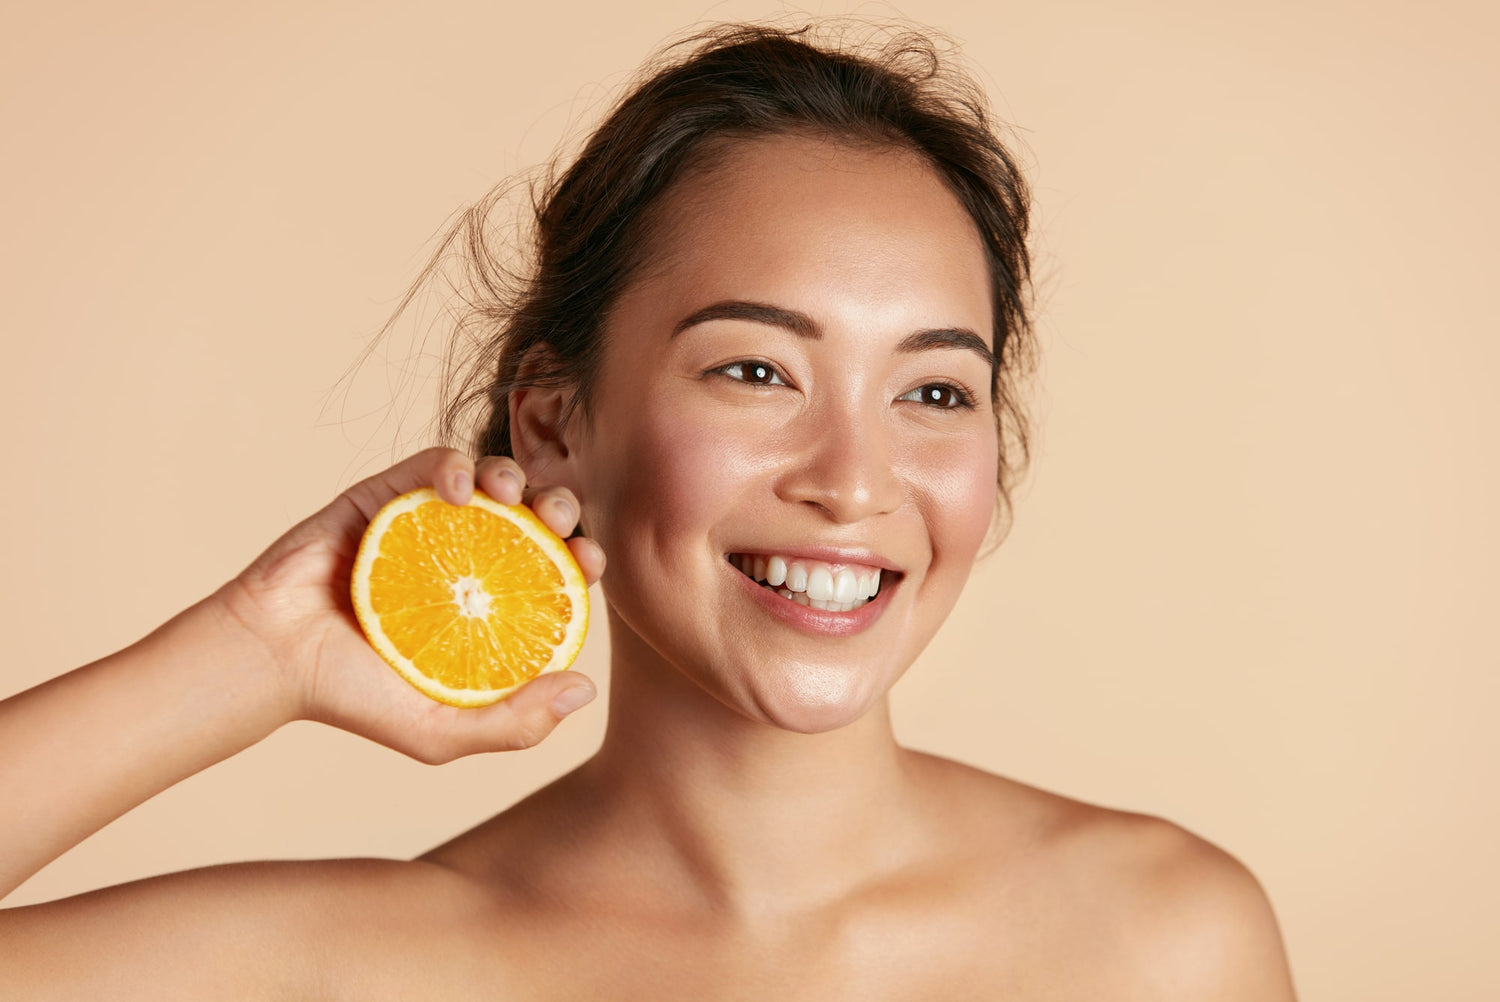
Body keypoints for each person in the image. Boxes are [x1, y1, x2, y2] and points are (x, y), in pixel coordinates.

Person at [0, 22, 1297, 998]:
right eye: (755, 370)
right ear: (557, 422)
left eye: (935, 390)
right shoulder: (363, 965)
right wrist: (254, 648)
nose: (853, 479)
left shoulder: (1162, 941)